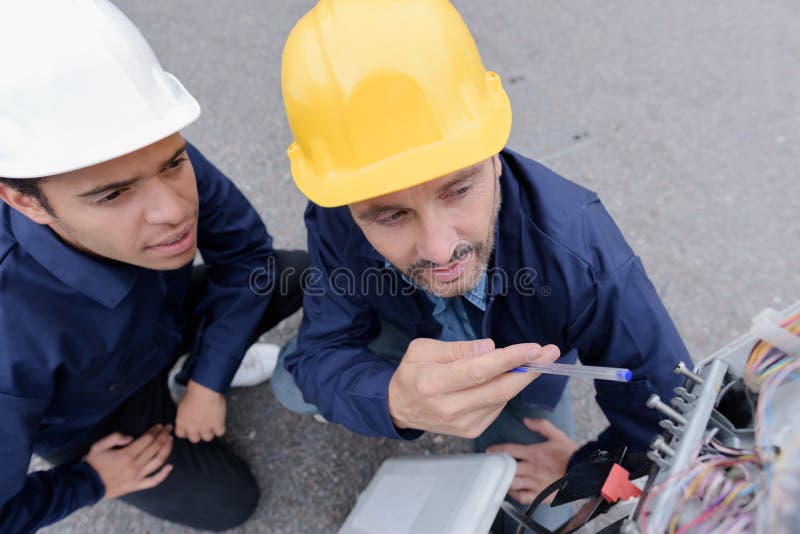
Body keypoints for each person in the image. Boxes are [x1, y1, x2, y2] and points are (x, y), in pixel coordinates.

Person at [273, 0, 689, 529]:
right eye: (390, 215)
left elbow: (663, 421)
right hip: (401, 337)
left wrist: (589, 471)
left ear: (494, 152)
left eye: (459, 189)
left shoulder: (585, 253)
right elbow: (320, 358)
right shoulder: (336, 217)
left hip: (517, 376)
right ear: (348, 205)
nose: (441, 250)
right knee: (291, 383)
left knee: (555, 501)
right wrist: (392, 400)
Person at [0, 1, 306, 532]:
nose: (174, 211)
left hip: (158, 321)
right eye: (114, 194)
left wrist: (210, 379)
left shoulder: (135, 147)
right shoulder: (9, 337)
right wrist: (91, 480)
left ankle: (200, 368)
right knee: (228, 503)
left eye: (173, 163)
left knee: (295, 272)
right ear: (26, 201)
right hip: (94, 415)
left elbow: (247, 255)